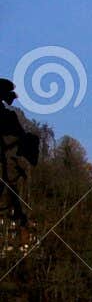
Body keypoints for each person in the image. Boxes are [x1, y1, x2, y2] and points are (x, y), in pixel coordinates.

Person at [0, 76, 42, 228]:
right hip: (10, 155)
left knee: (12, 182)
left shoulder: (8, 116)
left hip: (11, 155)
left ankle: (18, 212)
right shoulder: (7, 116)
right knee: (11, 180)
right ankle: (19, 213)